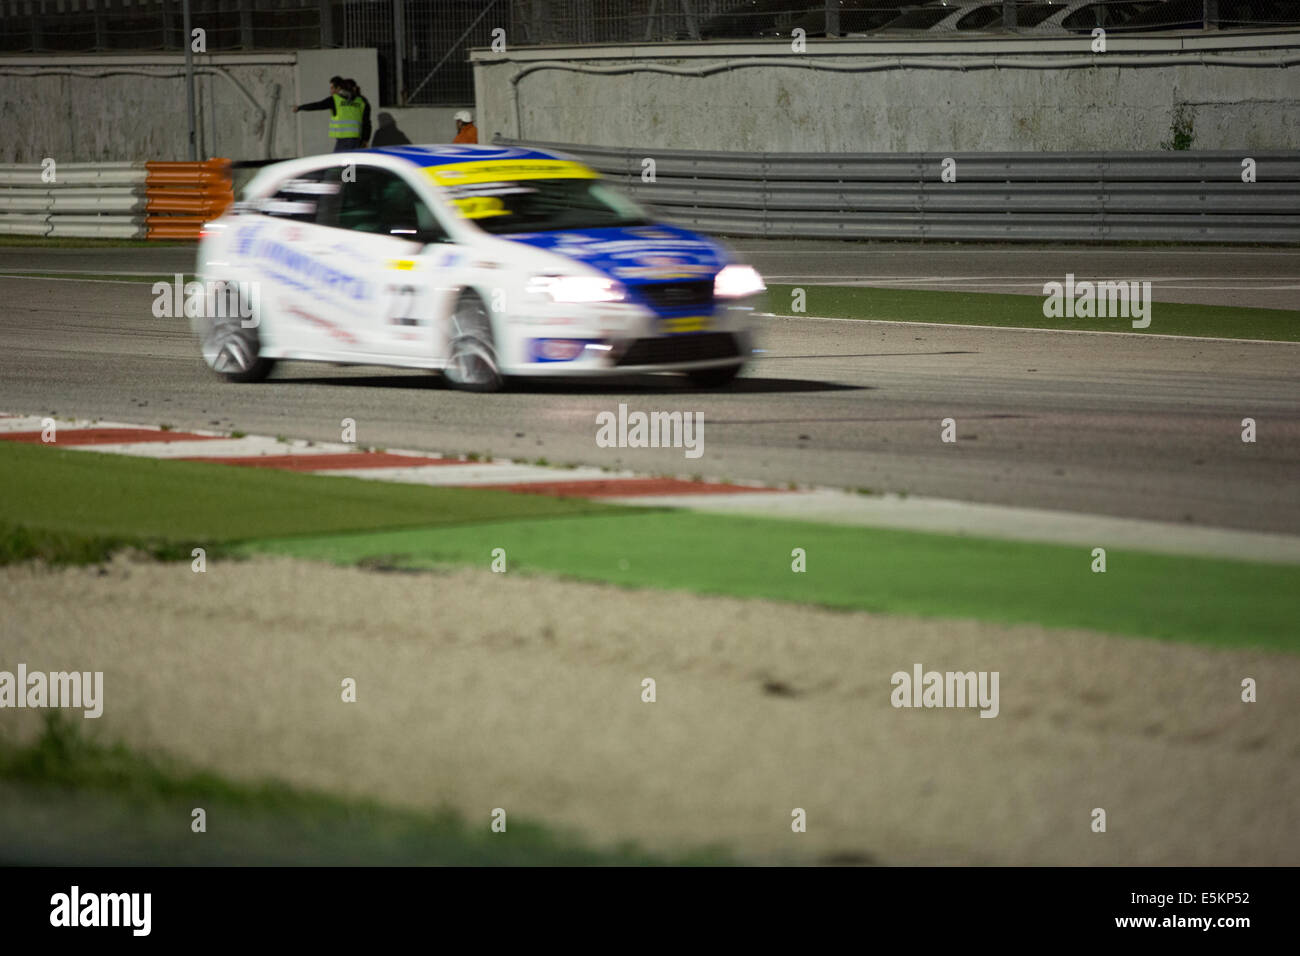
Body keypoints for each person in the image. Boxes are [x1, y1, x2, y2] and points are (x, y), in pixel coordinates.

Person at [293, 76, 364, 151]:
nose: (330, 91)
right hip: (357, 139)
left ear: (338, 88)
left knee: (337, 161)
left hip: (344, 139)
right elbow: (366, 121)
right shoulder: (359, 101)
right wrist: (365, 139)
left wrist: (300, 108)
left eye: (332, 88)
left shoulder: (335, 100)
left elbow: (317, 105)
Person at [344, 79, 373, 148]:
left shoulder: (360, 101)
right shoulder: (362, 100)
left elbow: (366, 122)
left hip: (356, 138)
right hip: (354, 138)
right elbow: (367, 122)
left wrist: (365, 139)